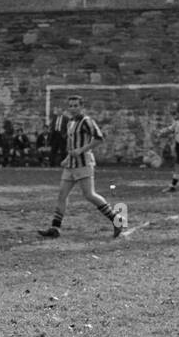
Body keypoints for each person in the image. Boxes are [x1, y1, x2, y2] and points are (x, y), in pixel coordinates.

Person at [37, 95, 125, 239]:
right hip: (71, 165)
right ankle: (55, 228)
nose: (73, 108)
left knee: (89, 194)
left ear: (81, 106)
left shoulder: (87, 121)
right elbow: (71, 144)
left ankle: (117, 219)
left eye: (76, 105)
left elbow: (99, 138)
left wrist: (81, 150)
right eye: (70, 106)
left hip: (83, 163)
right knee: (62, 195)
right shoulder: (70, 122)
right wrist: (67, 158)